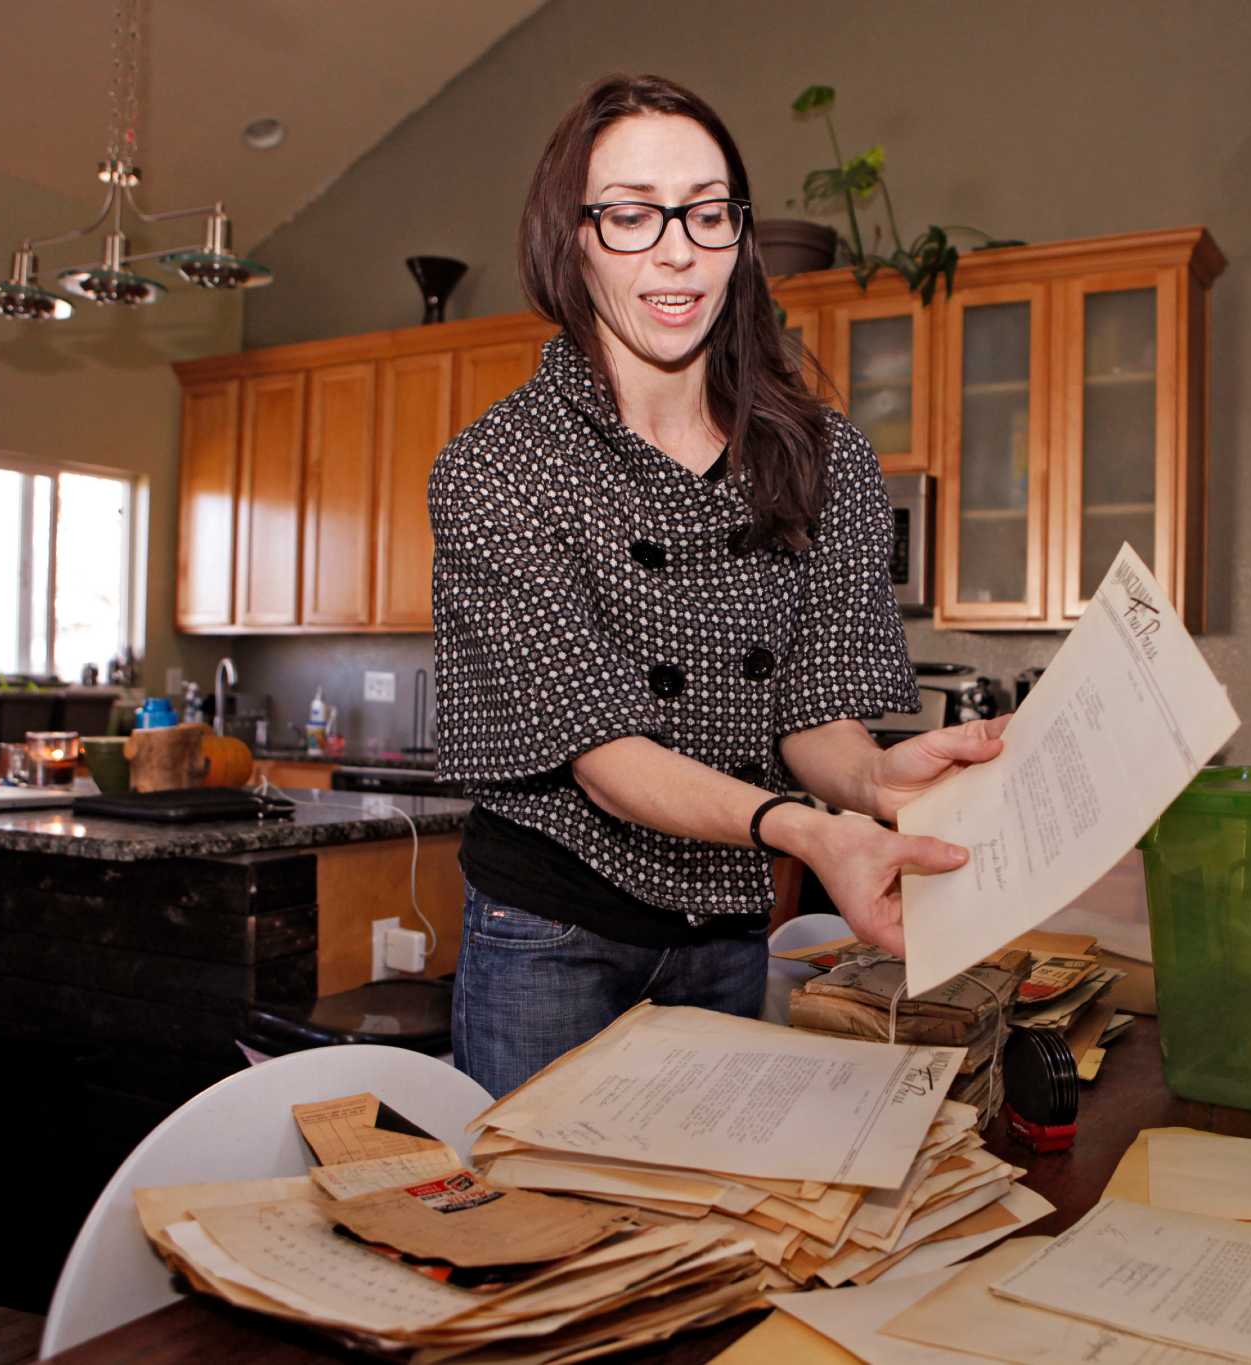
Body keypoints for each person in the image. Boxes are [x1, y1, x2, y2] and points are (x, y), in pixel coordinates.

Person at [429, 73, 1007, 1099]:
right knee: (541, 1243)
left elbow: (801, 717)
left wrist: (873, 783)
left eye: (706, 211)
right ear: (569, 240)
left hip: (728, 930)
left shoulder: (820, 455)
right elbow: (607, 759)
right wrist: (809, 831)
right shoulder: (497, 469)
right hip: (549, 934)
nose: (676, 247)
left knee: (706, 1240)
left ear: (738, 237)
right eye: (629, 214)